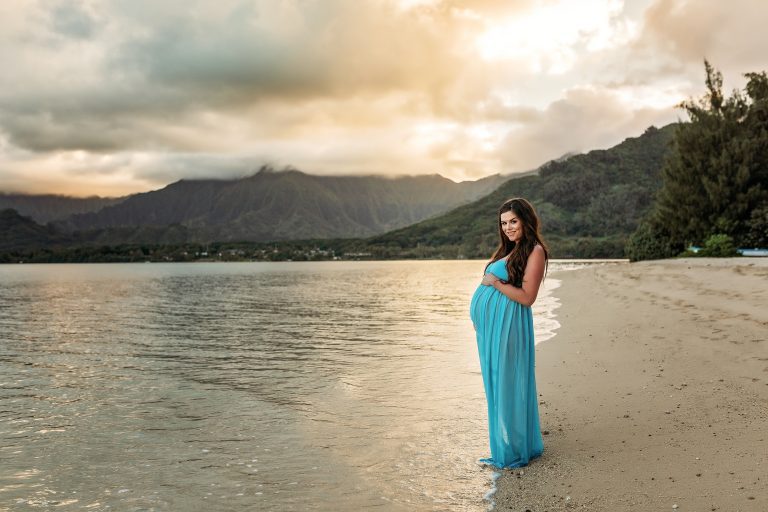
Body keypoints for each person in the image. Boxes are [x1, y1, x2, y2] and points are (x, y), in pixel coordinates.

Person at [469, 197, 549, 469]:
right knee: (496, 383)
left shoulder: (535, 251)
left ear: (526, 220)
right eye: (504, 223)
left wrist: (495, 282)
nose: (508, 227)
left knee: (507, 383)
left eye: (513, 221)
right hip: (493, 330)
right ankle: (508, 443)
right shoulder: (510, 250)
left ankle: (514, 448)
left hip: (510, 327)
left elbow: (527, 297)